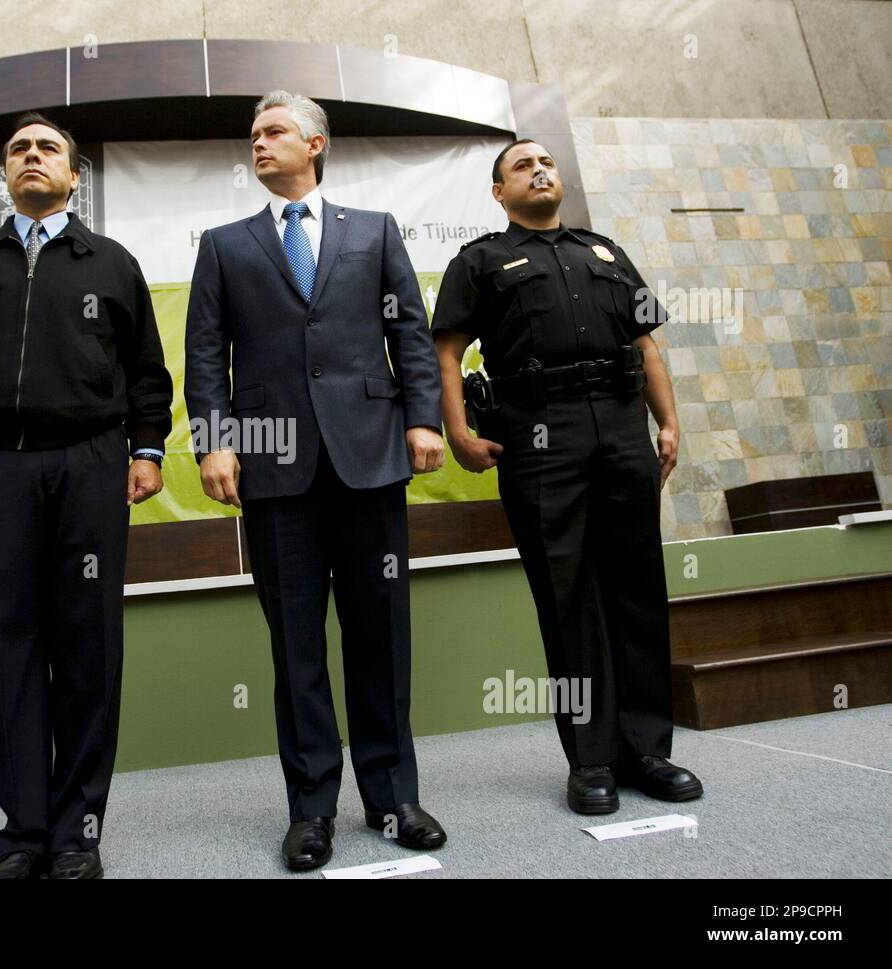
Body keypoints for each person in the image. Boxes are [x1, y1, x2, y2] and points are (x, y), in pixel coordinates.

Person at [185, 90, 448, 870]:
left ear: (316, 143)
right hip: (272, 469)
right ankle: (310, 812)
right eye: (253, 135)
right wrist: (214, 442)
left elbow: (409, 329)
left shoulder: (374, 231)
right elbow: (205, 354)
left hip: (369, 458)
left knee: (382, 635)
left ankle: (394, 797)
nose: (258, 144)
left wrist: (423, 418)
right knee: (296, 646)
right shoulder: (224, 245)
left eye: (273, 132)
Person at [0, 111, 173, 877]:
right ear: (6, 172)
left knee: (88, 646)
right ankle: (25, 834)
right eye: (19, 149)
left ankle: (77, 832)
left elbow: (148, 372)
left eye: (47, 148)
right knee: (8, 650)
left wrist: (148, 448)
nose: (32, 156)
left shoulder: (113, 264)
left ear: (73, 174)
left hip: (89, 468)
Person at [431, 139, 703, 814]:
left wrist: (667, 421)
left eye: (546, 162)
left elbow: (647, 344)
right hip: (539, 433)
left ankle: (648, 751)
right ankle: (591, 760)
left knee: (637, 588)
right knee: (567, 595)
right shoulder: (480, 262)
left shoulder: (604, 251)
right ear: (499, 191)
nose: (540, 170)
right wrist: (458, 431)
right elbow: (446, 353)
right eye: (522, 165)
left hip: (620, 424)